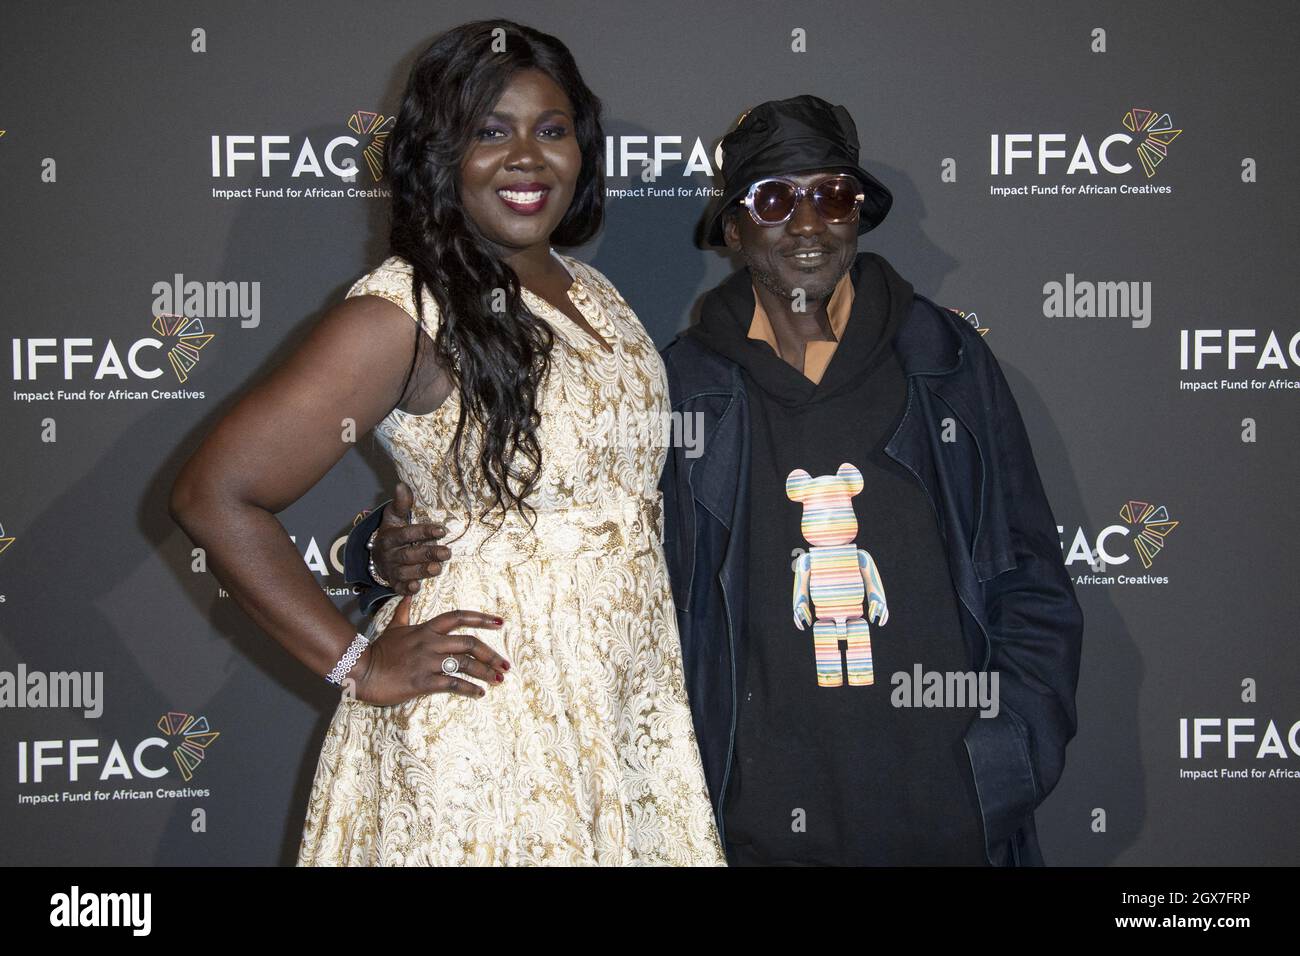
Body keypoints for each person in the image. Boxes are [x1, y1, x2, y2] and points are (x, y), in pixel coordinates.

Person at [350, 95, 1084, 866]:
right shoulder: (681, 387)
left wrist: (1003, 766)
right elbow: (568, 522)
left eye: (832, 194)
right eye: (773, 199)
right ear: (733, 229)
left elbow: (1028, 576)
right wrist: (378, 550)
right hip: (753, 823)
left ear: (858, 214)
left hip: (951, 817)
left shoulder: (948, 365)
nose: (808, 223)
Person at [169, 19, 724, 866]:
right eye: (489, 132)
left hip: (622, 700)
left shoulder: (593, 287)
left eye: (552, 129)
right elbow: (214, 495)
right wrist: (358, 662)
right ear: (440, 153)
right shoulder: (401, 312)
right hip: (489, 716)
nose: (528, 157)